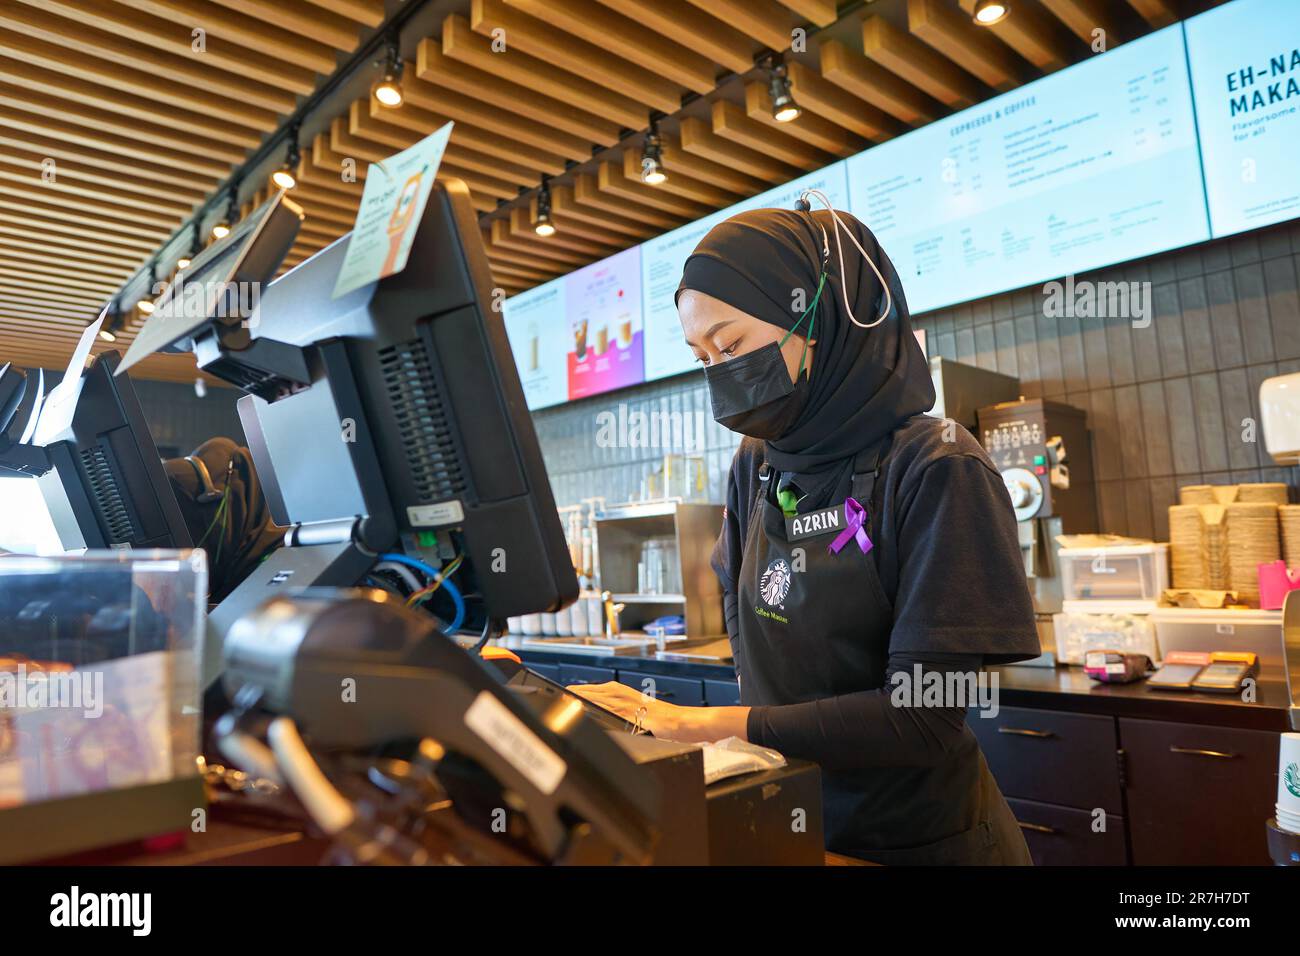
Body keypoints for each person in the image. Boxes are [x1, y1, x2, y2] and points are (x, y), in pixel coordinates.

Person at [569, 204, 1041, 864]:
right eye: (701, 356)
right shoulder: (755, 466)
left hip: (924, 843)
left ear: (816, 319)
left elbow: (924, 715)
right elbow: (740, 602)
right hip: (797, 828)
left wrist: (699, 725)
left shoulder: (937, 467)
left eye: (731, 346)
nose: (719, 371)